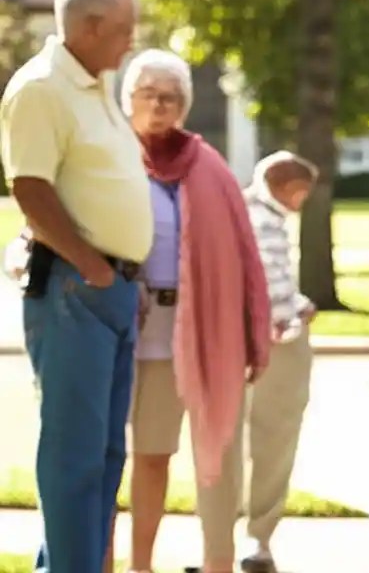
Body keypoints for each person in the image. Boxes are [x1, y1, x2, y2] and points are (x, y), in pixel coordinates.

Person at [0, 0, 152, 573]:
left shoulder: (95, 87)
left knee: (107, 455)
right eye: (123, 30)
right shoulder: (40, 89)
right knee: (74, 457)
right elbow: (29, 188)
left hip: (110, 290)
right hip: (72, 288)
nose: (129, 42)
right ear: (90, 27)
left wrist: (122, 277)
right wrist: (93, 267)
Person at [109, 49, 273, 573]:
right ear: (127, 99)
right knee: (127, 456)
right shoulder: (110, 157)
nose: (159, 105)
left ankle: (211, 561)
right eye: (149, 94)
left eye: (171, 96)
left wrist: (254, 331)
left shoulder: (209, 167)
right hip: (126, 329)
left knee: (209, 454)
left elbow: (246, 256)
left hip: (203, 331)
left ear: (185, 105)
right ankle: (128, 564)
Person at [238, 150, 320, 573]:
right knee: (275, 439)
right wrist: (296, 310)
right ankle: (258, 539)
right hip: (275, 341)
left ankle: (221, 537)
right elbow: (272, 287)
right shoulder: (267, 221)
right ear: (290, 188)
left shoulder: (237, 210)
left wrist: (298, 301)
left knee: (233, 440)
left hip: (238, 340)